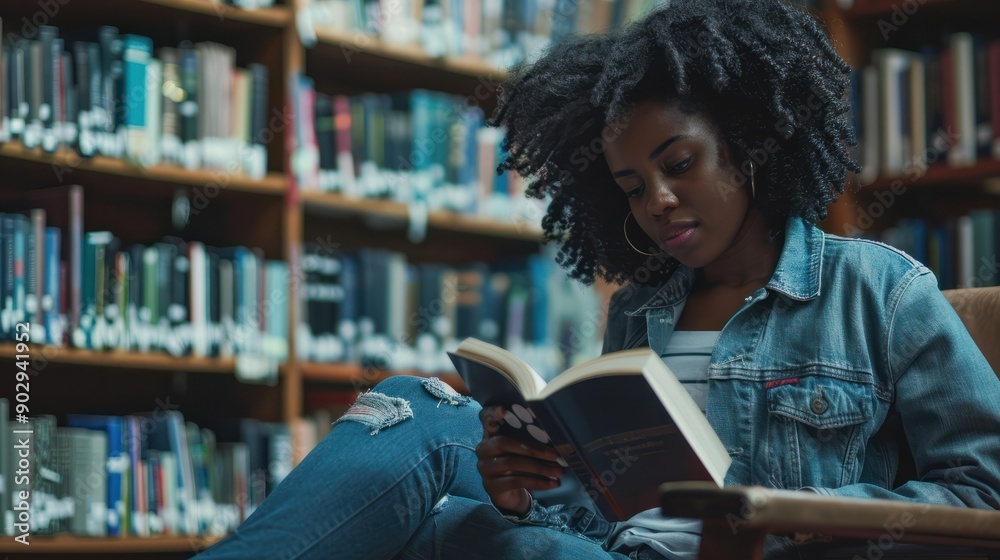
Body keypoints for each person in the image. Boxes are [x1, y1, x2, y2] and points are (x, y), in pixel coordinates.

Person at [193, 0, 1000, 558]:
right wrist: (522, 490)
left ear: (751, 143)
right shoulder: (644, 310)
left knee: (425, 481)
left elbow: (983, 492)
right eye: (631, 186)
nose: (658, 201)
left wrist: (784, 516)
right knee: (417, 443)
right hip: (608, 550)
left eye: (679, 164)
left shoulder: (882, 292)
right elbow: (605, 503)